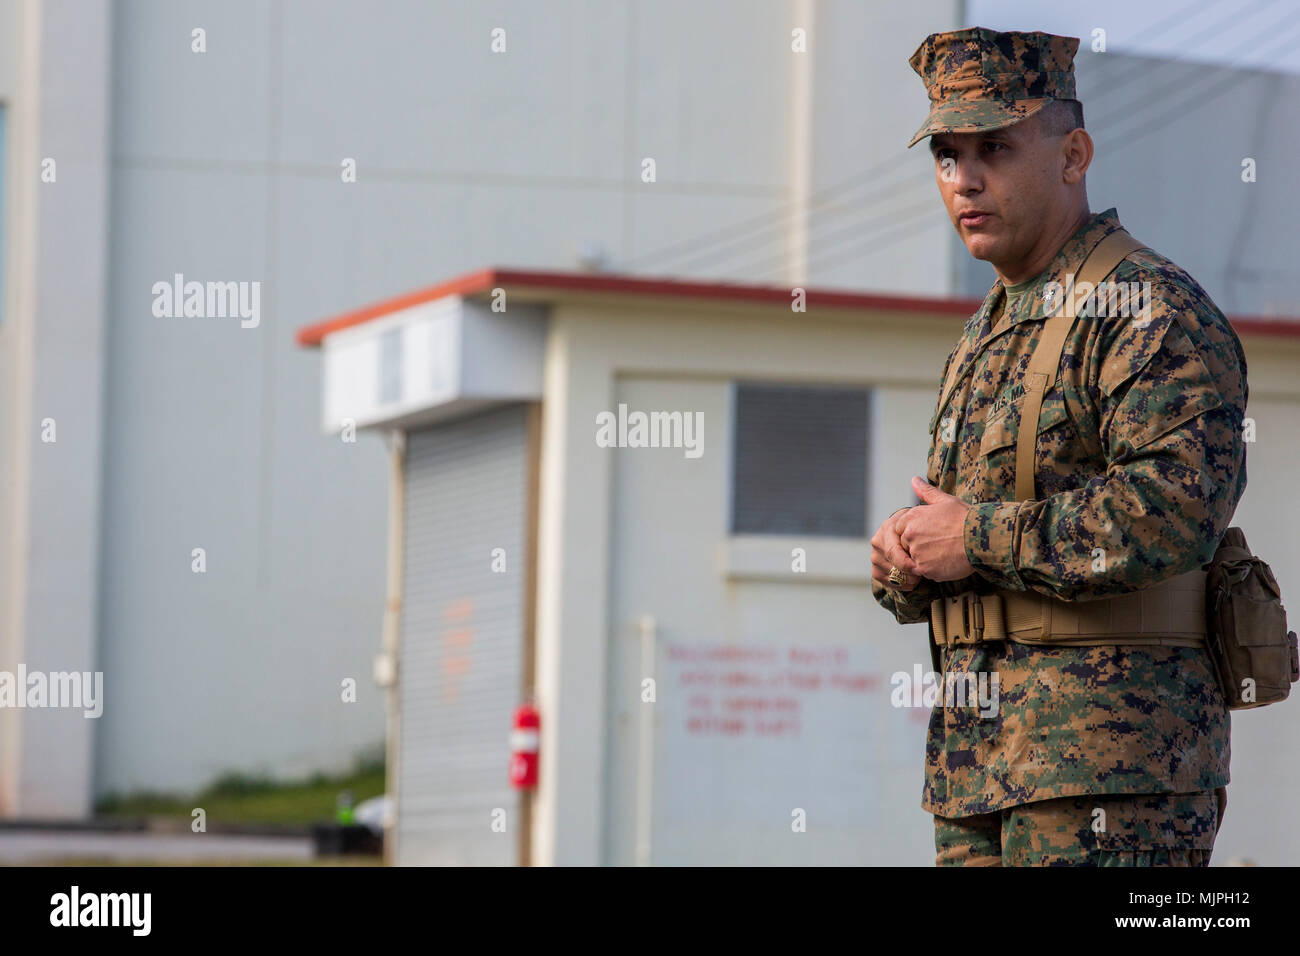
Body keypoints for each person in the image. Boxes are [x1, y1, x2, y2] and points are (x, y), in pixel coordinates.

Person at [869, 27, 1248, 866]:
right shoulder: (987, 330)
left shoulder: (1145, 308)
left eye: (994, 148)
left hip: (1109, 773)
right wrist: (908, 555)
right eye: (946, 153)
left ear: (1072, 153)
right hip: (977, 768)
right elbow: (968, 528)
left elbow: (1176, 509)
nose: (964, 179)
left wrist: (974, 537)